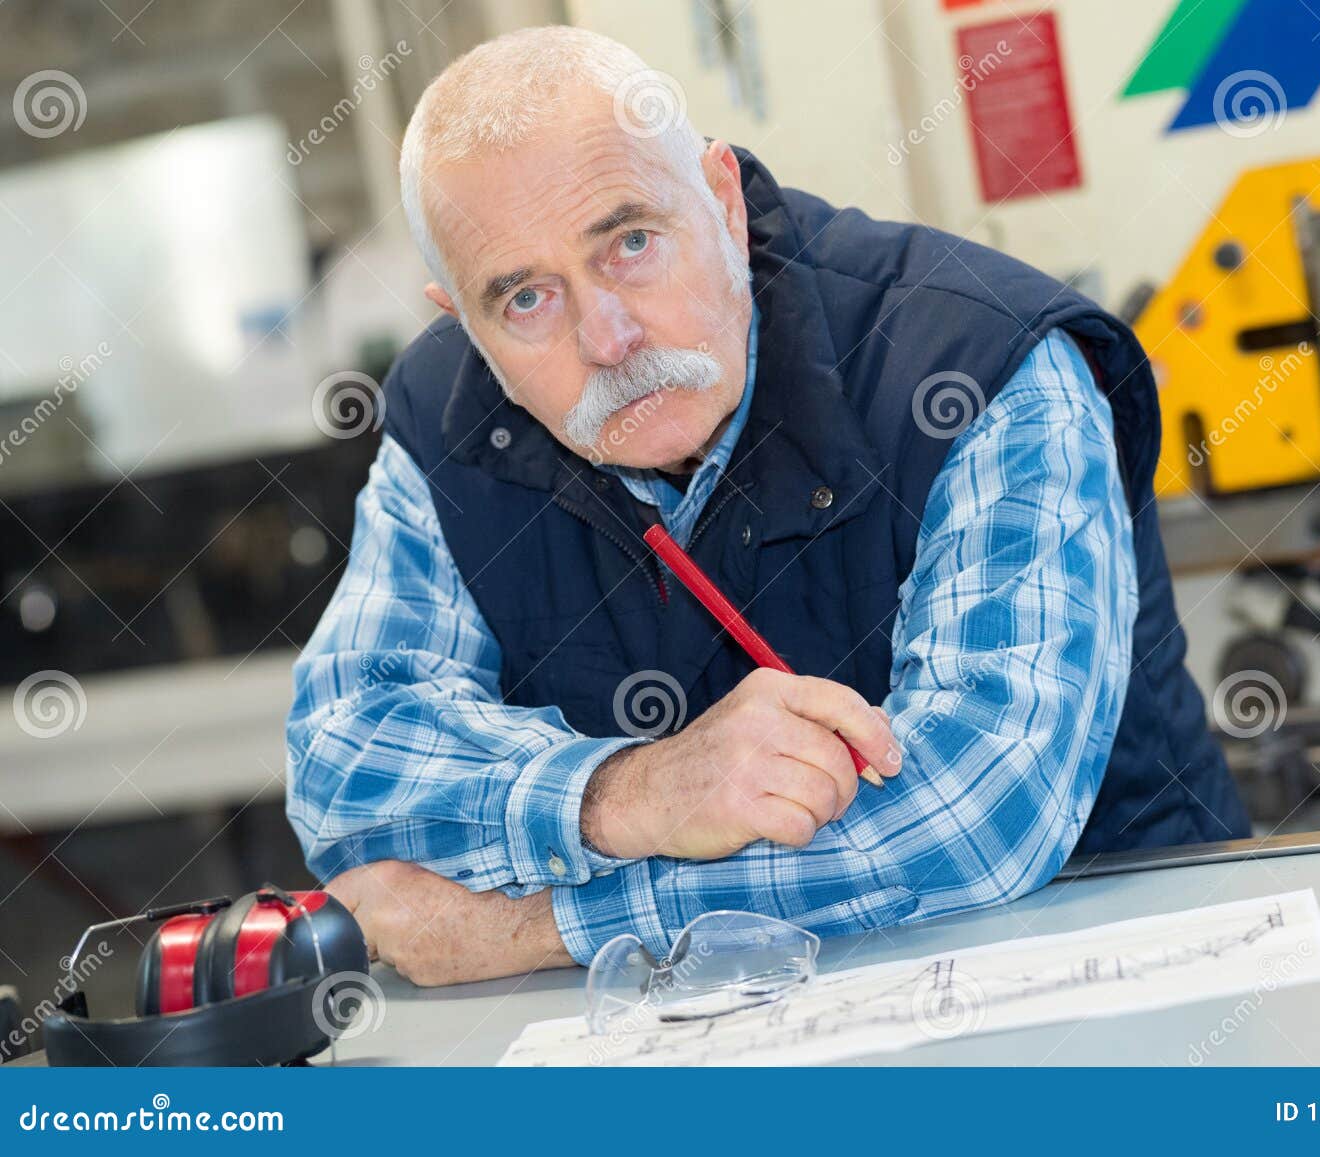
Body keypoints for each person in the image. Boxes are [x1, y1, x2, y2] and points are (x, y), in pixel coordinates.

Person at [286, 26, 1249, 985]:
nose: (608, 337)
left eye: (629, 242)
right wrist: (623, 795)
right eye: (525, 300)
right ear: (463, 321)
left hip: (1109, 993)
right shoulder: (444, 418)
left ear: (721, 200)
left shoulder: (982, 362)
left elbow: (973, 820)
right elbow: (344, 762)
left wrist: (537, 924)